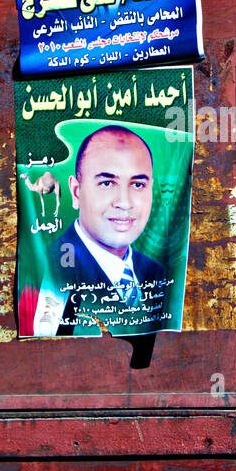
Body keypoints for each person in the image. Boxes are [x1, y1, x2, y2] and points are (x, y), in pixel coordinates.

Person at [45, 125, 168, 335]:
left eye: (138, 185)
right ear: (76, 192)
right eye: (107, 183)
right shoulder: (48, 273)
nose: (124, 202)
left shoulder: (156, 273)